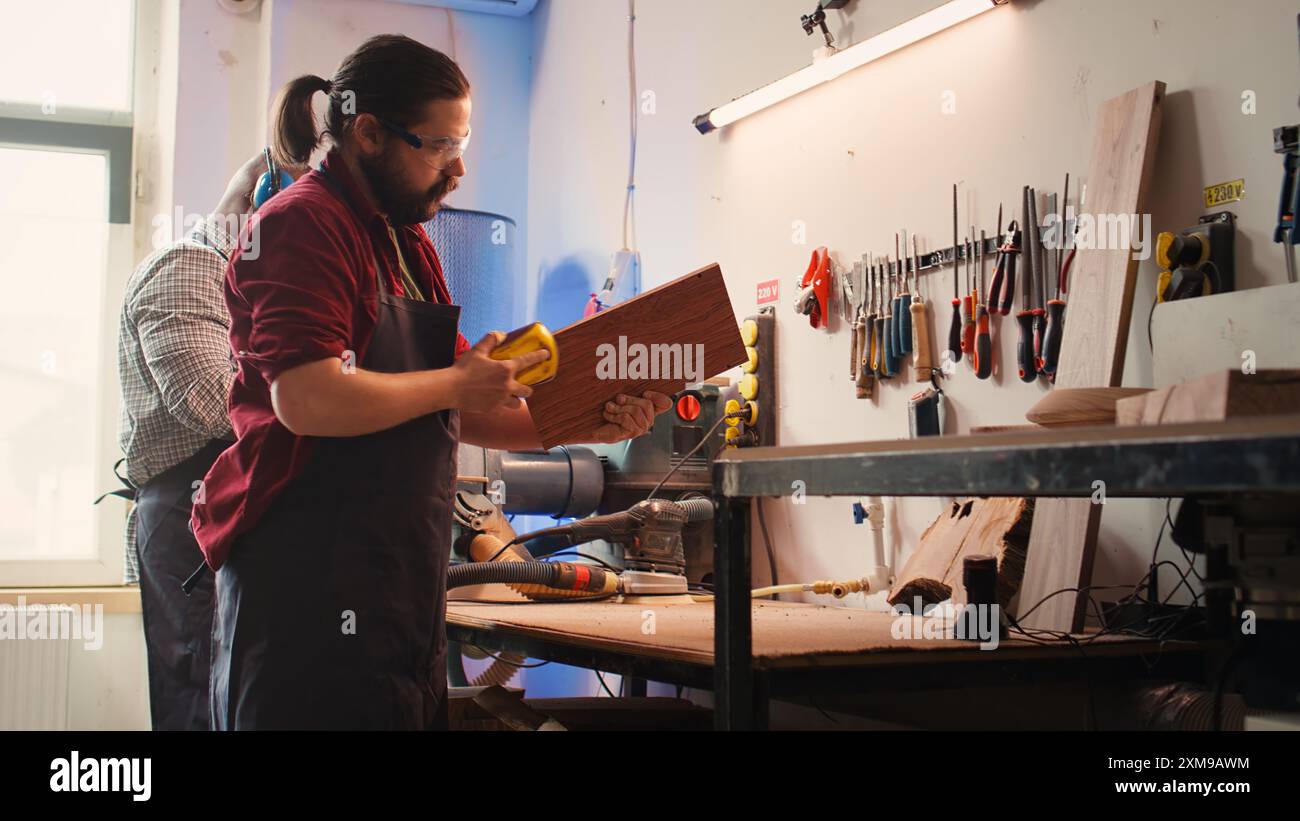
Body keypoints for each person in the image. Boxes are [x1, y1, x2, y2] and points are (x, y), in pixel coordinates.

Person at [192, 34, 672, 730]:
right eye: (439, 147)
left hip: (398, 581)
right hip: (303, 585)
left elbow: (463, 410)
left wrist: (592, 422)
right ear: (368, 134)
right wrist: (455, 382)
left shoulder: (407, 240)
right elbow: (306, 397)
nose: (459, 169)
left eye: (463, 143)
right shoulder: (300, 225)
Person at [117, 151, 301, 729]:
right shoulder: (188, 268)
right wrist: (323, 402)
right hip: (185, 514)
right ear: (260, 201)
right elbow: (207, 401)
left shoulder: (247, 283)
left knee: (239, 696)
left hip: (227, 506)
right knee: (200, 699)